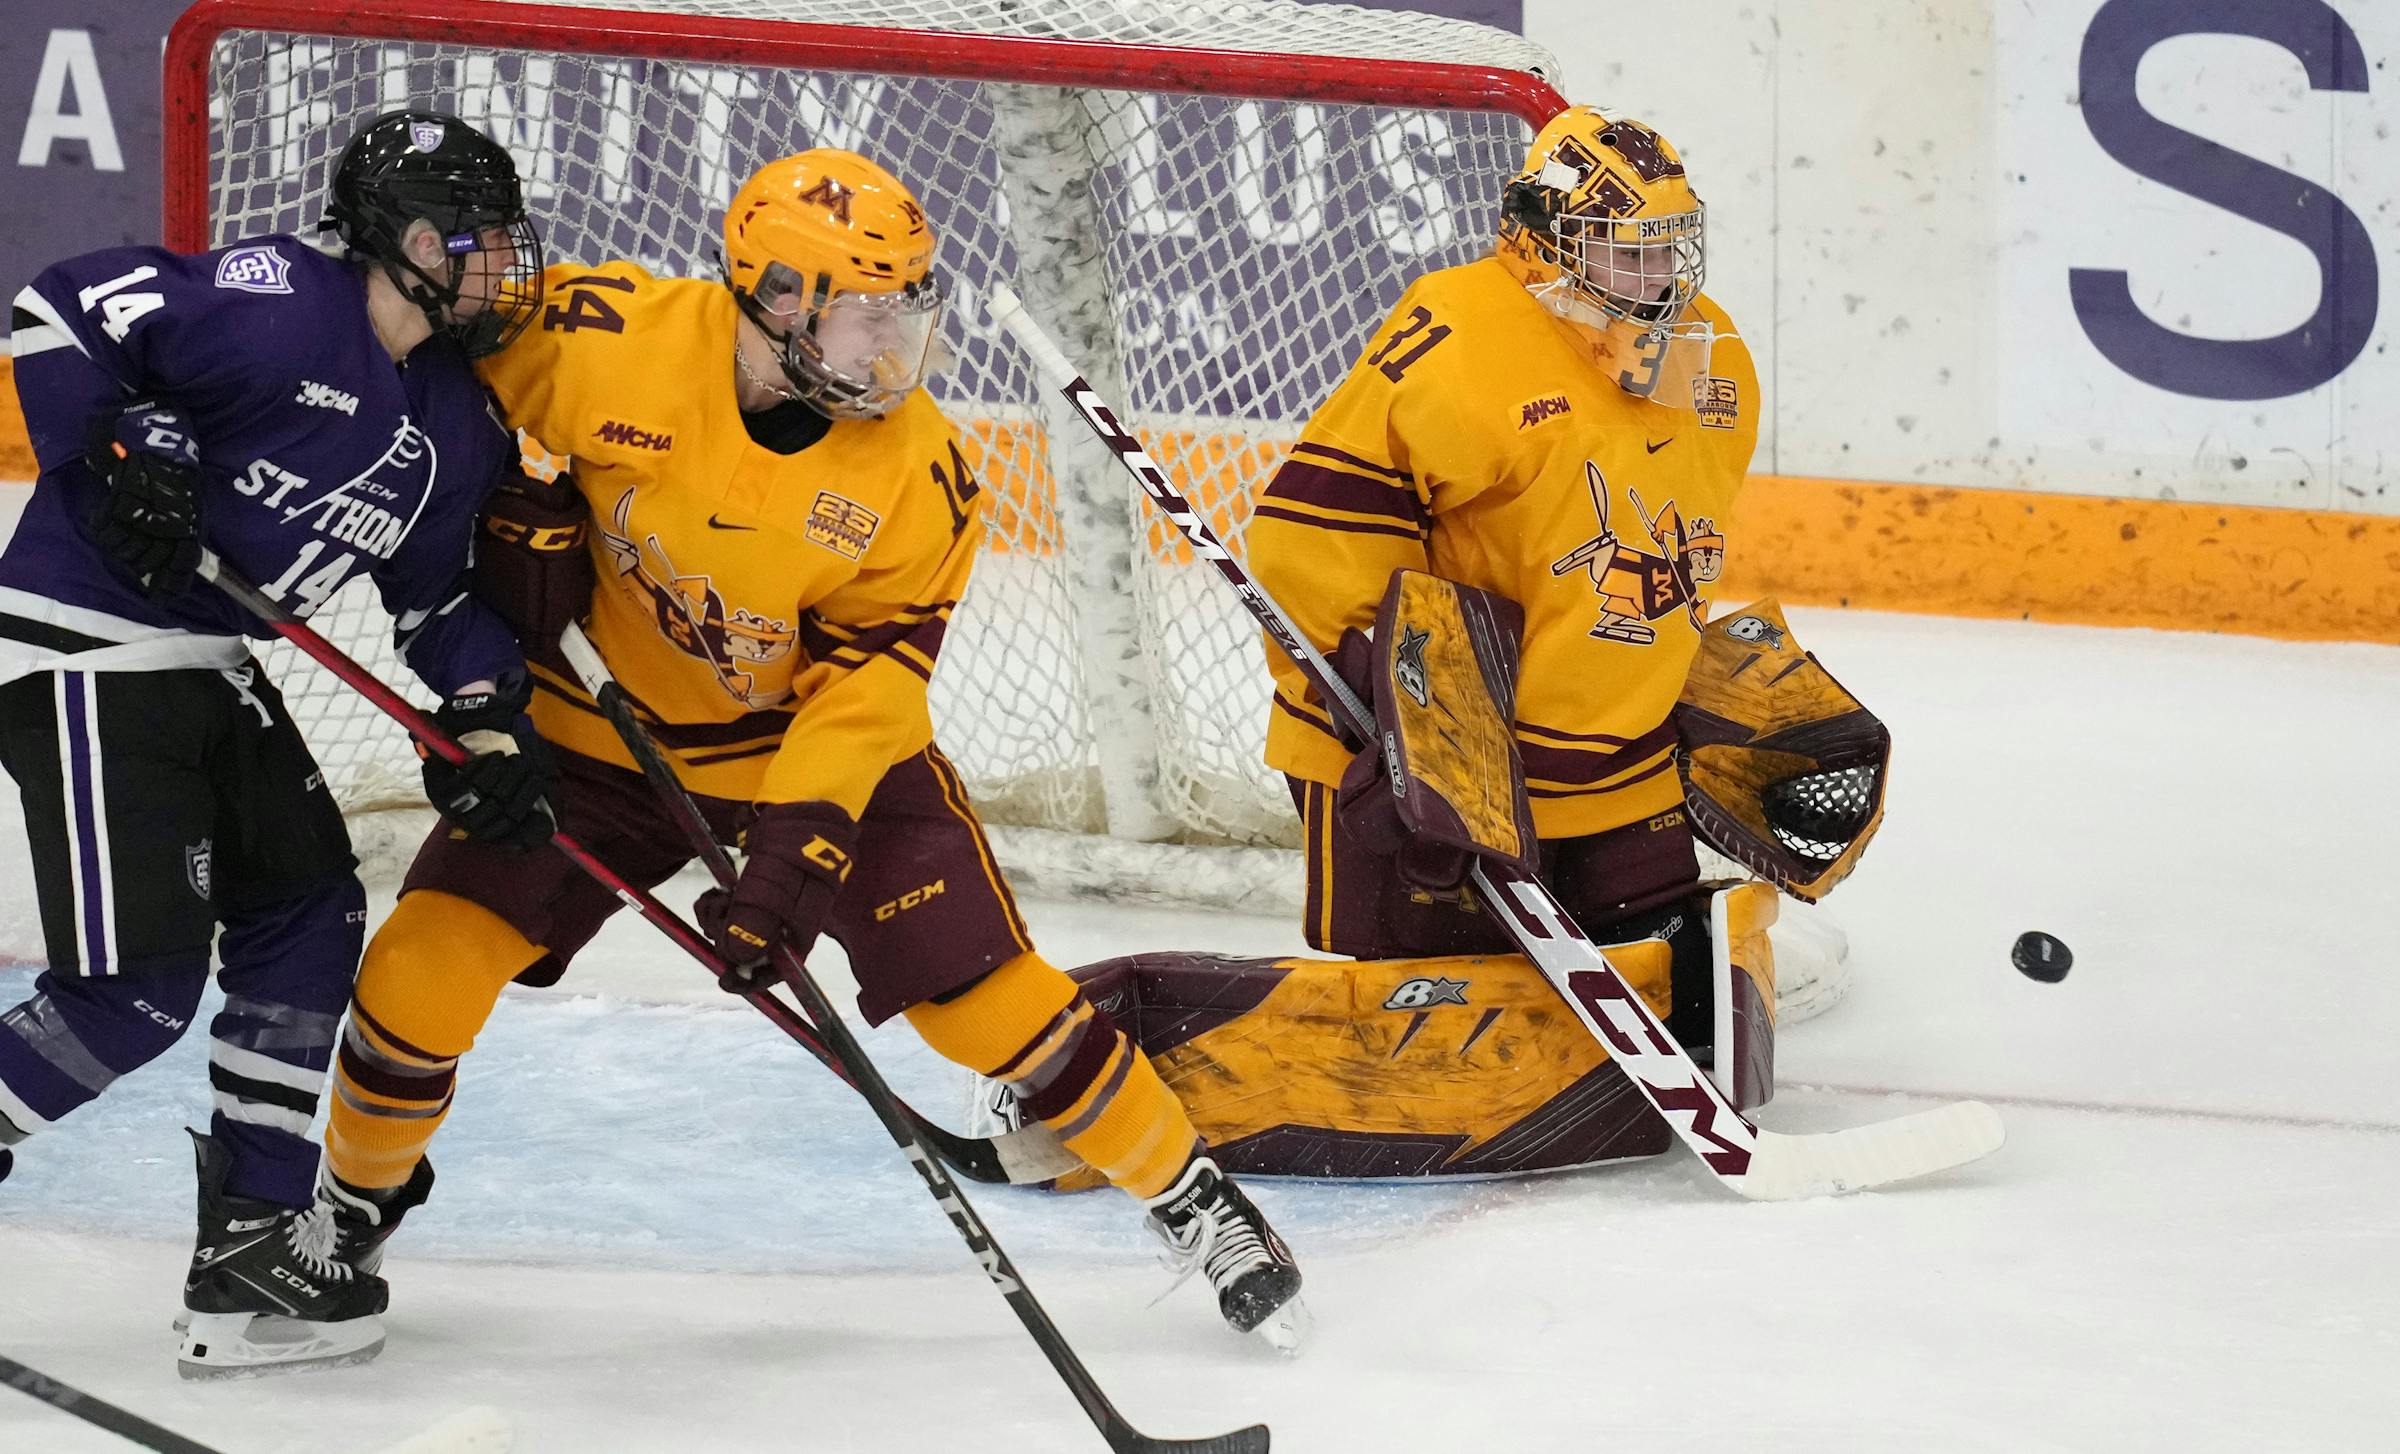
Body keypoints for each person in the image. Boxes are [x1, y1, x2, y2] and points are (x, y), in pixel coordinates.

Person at [311, 148, 1309, 1353]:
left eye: (905, 313)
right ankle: (350, 1206)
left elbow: (875, 682)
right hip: (594, 736)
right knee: (419, 970)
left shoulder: (921, 468)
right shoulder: (600, 336)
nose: (893, 350)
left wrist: (793, 854)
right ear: (776, 298)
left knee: (987, 1005)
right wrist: (490, 521)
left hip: (812, 752)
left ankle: (1198, 1200)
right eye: (861, 317)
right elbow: (404, 370)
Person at [996, 107, 1789, 1181]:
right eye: (1622, 245)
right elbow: (1307, 538)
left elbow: (1669, 546)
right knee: (1430, 1019)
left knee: (1646, 991)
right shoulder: (1463, 337)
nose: (1652, 271)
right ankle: (1101, 1078)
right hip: (1449, 755)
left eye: (1667, 243)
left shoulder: (1716, 356)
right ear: (1541, 235)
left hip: (1614, 758)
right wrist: (1400, 707)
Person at [0, 109, 559, 1377]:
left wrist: (487, 721)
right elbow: (58, 310)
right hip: (84, 635)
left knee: (308, 907)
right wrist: (119, 449)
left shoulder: (454, 422)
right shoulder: (276, 301)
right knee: (131, 990)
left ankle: (255, 1238)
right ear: (413, 241)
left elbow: (435, 604)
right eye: (483, 244)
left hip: (203, 658)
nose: (501, 269)